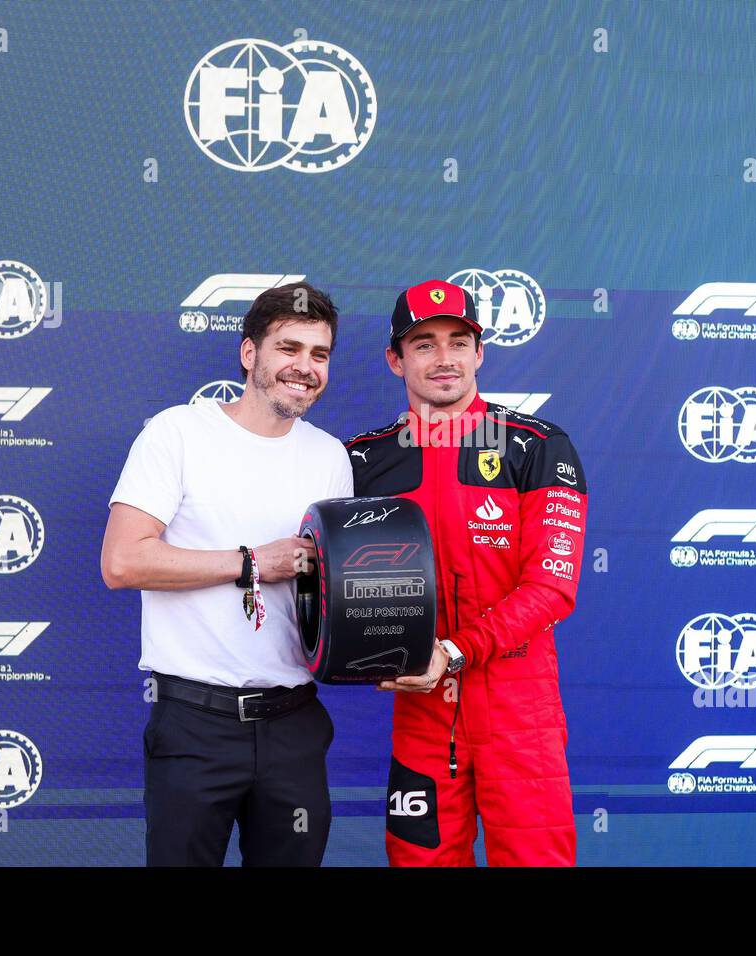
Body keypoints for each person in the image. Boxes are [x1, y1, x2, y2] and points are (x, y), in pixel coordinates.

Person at [101, 282, 352, 866]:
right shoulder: (177, 434)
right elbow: (123, 561)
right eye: (289, 349)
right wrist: (249, 563)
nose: (305, 368)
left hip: (295, 724)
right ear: (249, 353)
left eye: (319, 355)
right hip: (195, 727)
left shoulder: (329, 456)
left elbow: (332, 597)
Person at [346, 279, 589, 866]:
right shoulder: (361, 460)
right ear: (395, 359)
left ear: (480, 352)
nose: (445, 358)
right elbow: (327, 579)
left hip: (518, 713)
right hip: (422, 713)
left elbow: (551, 589)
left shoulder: (537, 446)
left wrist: (455, 652)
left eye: (459, 341)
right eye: (424, 344)